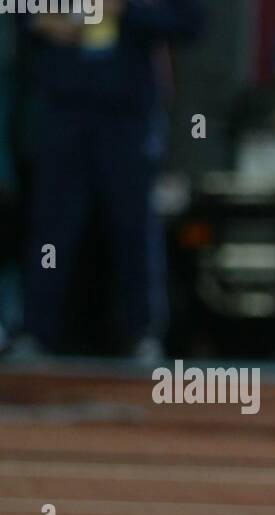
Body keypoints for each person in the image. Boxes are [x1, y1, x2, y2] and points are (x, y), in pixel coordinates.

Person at [13, 0, 205, 360]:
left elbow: (190, 22)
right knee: (52, 226)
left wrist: (126, 9)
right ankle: (35, 329)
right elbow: (19, 13)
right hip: (63, 106)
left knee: (134, 224)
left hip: (128, 111)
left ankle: (143, 330)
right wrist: (44, 20)